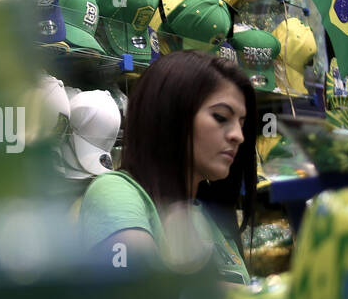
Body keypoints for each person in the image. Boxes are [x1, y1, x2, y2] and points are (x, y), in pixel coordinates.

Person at [78, 50, 257, 282]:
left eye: (242, 124)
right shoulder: (115, 193)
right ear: (170, 116)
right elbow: (145, 295)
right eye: (221, 117)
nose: (238, 136)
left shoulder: (202, 213)